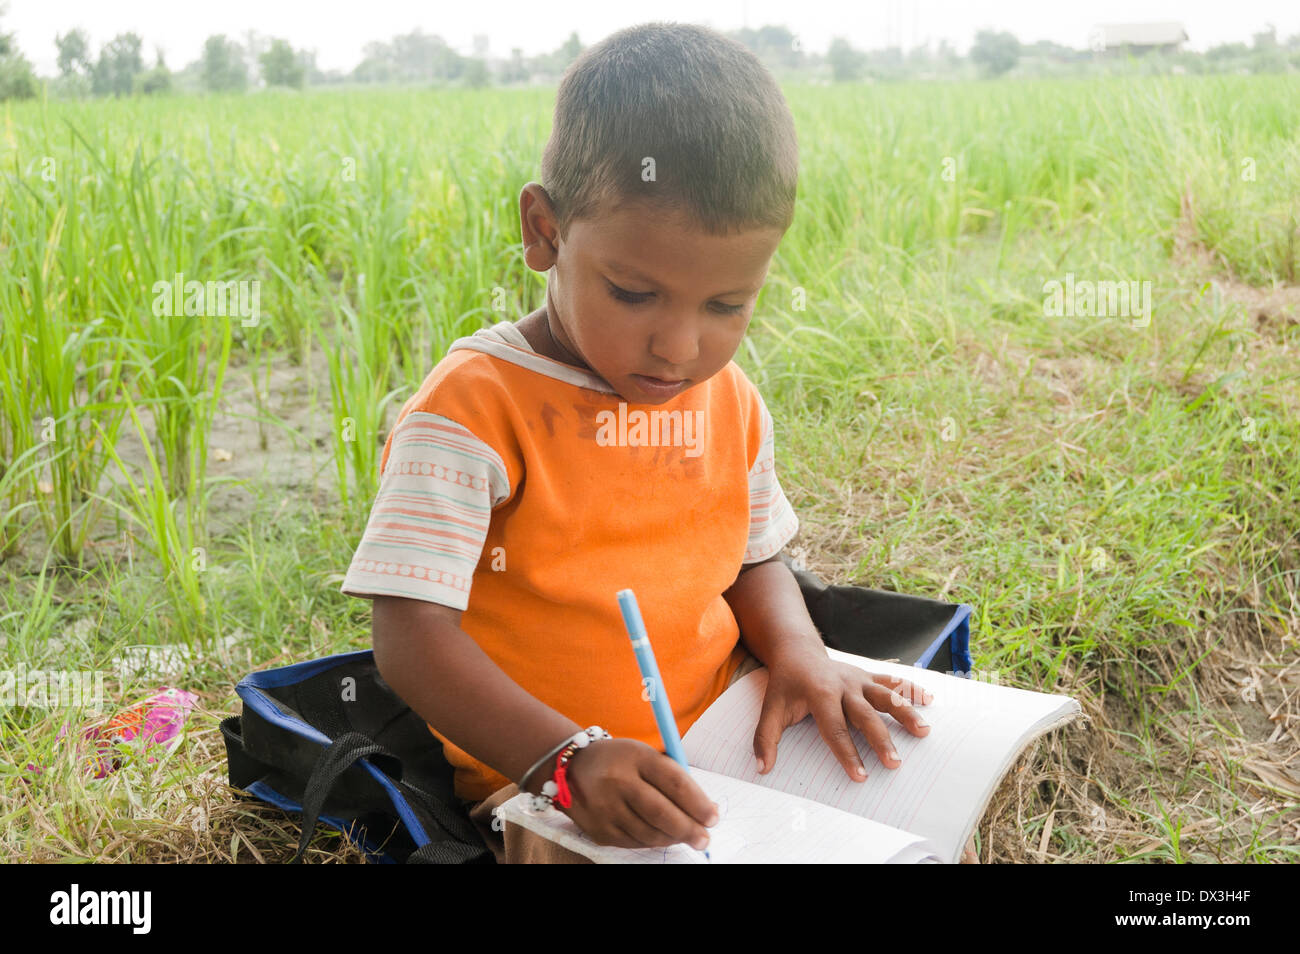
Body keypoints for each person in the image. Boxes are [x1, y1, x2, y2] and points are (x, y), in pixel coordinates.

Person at [341, 21, 968, 864]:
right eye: (635, 293)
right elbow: (410, 633)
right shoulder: (473, 410)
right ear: (544, 232)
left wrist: (799, 654)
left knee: (914, 827)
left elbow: (751, 561)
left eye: (726, 306)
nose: (680, 347)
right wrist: (565, 760)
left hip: (726, 737)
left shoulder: (729, 400)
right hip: (551, 788)